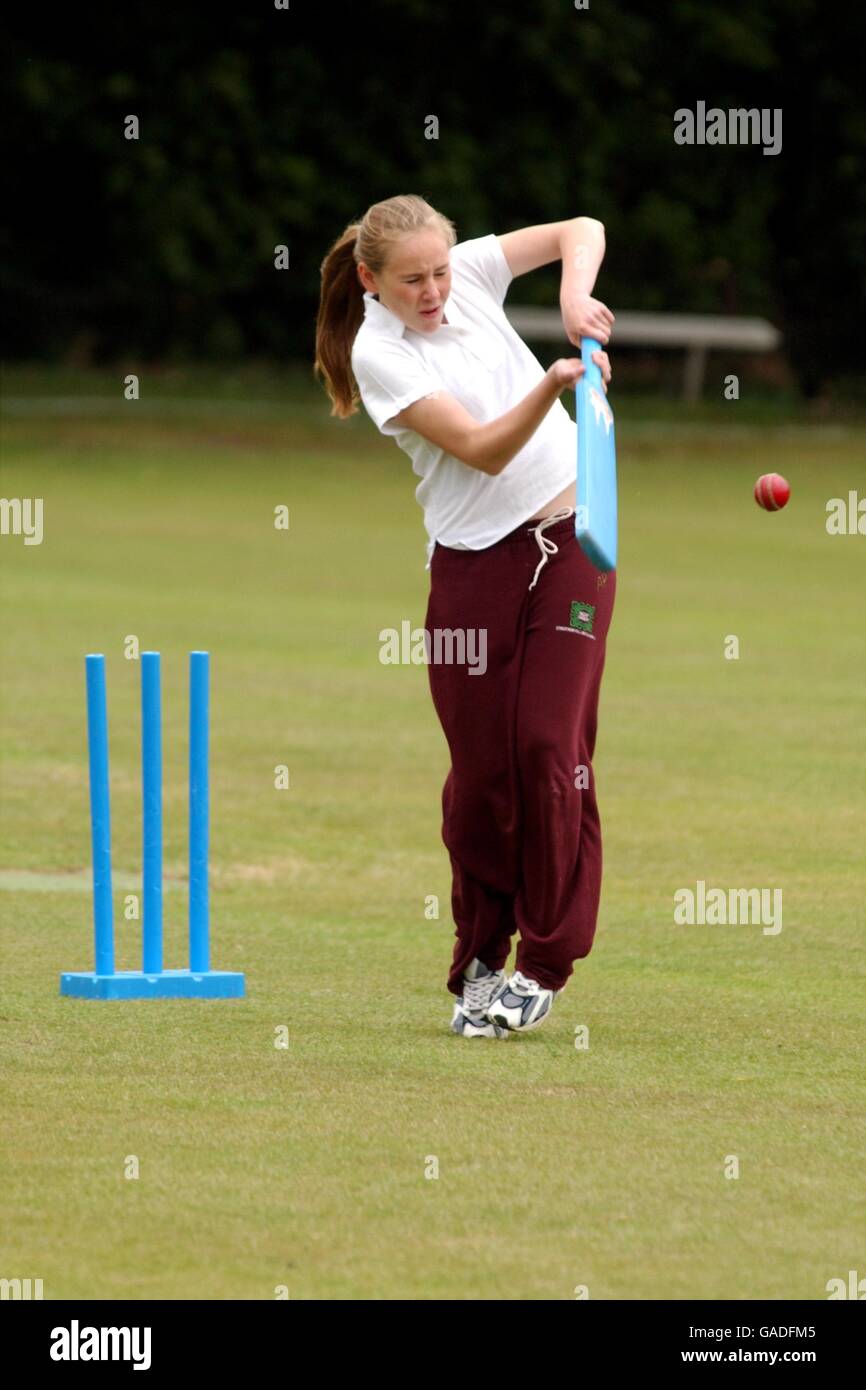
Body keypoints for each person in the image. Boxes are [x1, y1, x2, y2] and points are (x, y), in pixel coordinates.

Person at [314, 194, 615, 1039]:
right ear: (371, 281)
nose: (435, 290)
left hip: (575, 540)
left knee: (548, 746)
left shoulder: (472, 275)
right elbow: (482, 450)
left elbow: (577, 229)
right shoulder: (380, 353)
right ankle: (483, 956)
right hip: (472, 568)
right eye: (412, 280)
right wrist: (556, 378)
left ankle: (546, 962)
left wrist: (569, 298)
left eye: (442, 271)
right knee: (482, 776)